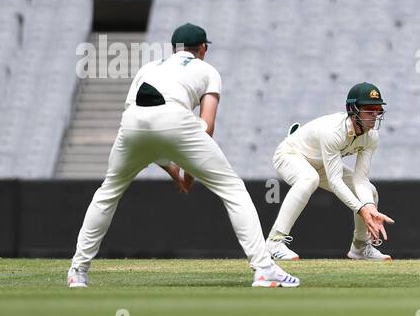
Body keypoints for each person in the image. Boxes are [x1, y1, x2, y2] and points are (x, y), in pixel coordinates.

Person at [67, 23, 298, 289]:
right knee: (233, 189)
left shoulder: (149, 68)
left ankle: (77, 271)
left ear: (174, 49)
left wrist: (175, 171)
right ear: (203, 48)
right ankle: (264, 269)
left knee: (108, 192)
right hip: (174, 119)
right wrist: (189, 173)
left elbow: (146, 126)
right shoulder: (207, 70)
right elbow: (206, 125)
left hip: (133, 124)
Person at [264, 82, 395, 262]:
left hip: (321, 164)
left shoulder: (371, 136)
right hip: (290, 155)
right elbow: (335, 180)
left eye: (378, 110)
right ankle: (274, 242)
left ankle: (360, 247)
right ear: (352, 109)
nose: (374, 115)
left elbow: (360, 180)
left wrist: (369, 206)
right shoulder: (333, 132)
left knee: (370, 192)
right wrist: (360, 209)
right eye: (369, 109)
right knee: (309, 179)